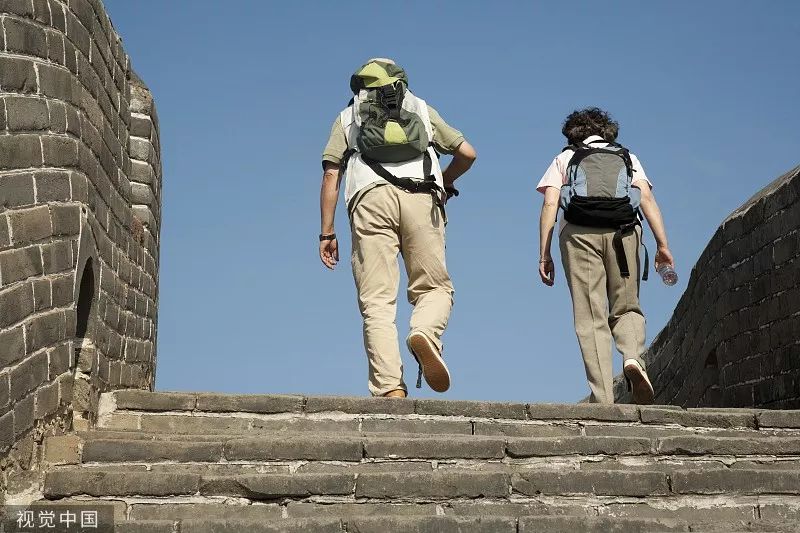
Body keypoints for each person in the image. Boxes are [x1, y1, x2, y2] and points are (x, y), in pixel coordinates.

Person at [319, 58, 476, 398]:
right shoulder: (419, 107)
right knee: (434, 287)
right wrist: (445, 183)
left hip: (369, 201)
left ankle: (390, 388)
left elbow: (332, 174)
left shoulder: (348, 116)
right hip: (421, 198)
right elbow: (468, 153)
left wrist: (327, 232)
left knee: (376, 301)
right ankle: (424, 333)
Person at [537, 107, 674, 404]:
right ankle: (633, 357)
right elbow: (646, 199)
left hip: (578, 234)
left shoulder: (565, 158)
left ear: (573, 134)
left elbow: (550, 204)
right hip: (624, 233)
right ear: (608, 131)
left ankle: (603, 400)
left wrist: (544, 253)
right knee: (627, 306)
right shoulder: (627, 157)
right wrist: (663, 245)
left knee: (591, 315)